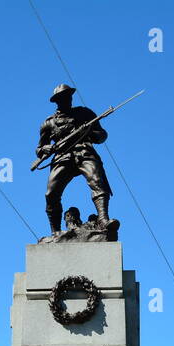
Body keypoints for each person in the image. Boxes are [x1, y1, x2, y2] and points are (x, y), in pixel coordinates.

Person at [37, 84, 112, 237]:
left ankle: (104, 219)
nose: (68, 100)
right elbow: (39, 149)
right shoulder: (48, 123)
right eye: (64, 98)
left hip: (84, 152)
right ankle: (55, 231)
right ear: (57, 101)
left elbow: (102, 135)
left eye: (69, 96)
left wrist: (90, 131)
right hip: (62, 157)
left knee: (97, 180)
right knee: (51, 194)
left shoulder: (85, 113)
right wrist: (44, 149)